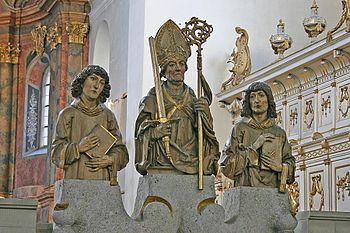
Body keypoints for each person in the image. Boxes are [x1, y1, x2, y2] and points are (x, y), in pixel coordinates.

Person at [135, 19, 220, 175]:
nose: (178, 68)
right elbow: (140, 133)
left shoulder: (193, 96)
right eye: (172, 64)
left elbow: (203, 131)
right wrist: (154, 133)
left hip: (192, 157)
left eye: (181, 64)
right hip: (163, 158)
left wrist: (204, 113)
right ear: (164, 70)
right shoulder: (153, 99)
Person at [51, 65, 129, 182]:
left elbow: (121, 151)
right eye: (93, 79)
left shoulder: (108, 115)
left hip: (102, 181)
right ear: (82, 81)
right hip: (74, 180)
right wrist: (78, 147)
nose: (97, 86)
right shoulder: (68, 114)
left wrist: (110, 159)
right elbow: (56, 153)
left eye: (101, 83)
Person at [219, 82, 295, 189]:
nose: (257, 100)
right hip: (246, 188)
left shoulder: (278, 132)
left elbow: (290, 163)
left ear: (269, 100)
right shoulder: (240, 129)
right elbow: (226, 165)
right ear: (248, 102)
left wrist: (281, 167)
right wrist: (254, 147)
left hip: (273, 191)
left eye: (261, 95)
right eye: (252, 97)